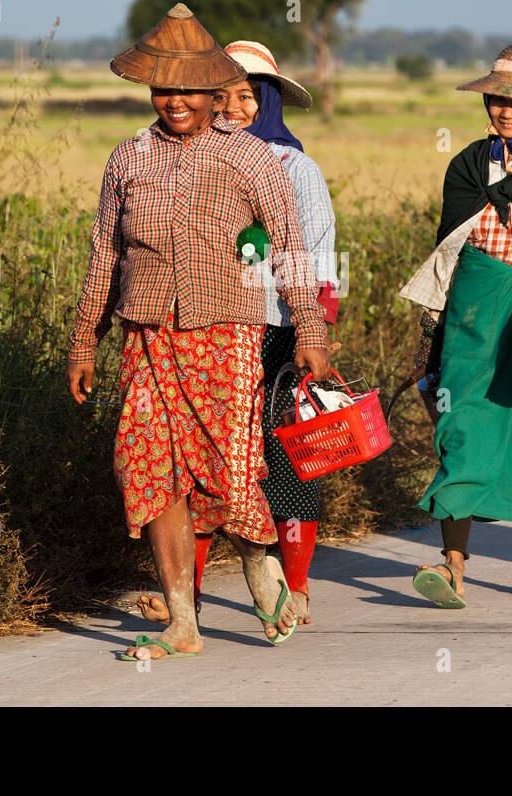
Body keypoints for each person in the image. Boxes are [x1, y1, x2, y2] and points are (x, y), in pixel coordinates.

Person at [67, 4, 331, 660]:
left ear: (215, 92)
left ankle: (257, 558)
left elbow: (289, 246)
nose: (175, 100)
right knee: (149, 468)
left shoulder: (250, 158)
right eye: (164, 88)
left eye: (188, 89)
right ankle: (183, 621)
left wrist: (310, 331)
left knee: (229, 473)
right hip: (147, 335)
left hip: (227, 335)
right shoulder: (128, 159)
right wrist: (83, 340)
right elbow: (105, 251)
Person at [137, 39, 339, 628]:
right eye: (220, 96)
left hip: (278, 329)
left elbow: (318, 259)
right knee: (199, 459)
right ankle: (189, 599)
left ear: (267, 101)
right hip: (206, 333)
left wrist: (314, 332)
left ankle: (294, 588)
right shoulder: (180, 157)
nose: (231, 108)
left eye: (246, 96)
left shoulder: (295, 169)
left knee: (283, 457)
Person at [399, 44, 512, 607]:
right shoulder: (466, 164)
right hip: (472, 310)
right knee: (463, 425)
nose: (506, 109)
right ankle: (452, 565)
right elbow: (449, 241)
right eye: (499, 98)